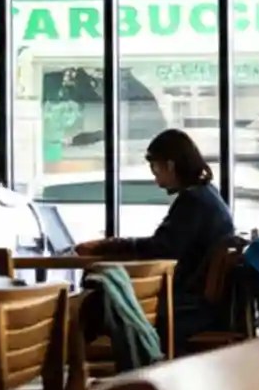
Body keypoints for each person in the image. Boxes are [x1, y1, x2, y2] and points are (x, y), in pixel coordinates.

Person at [75, 129, 233, 354]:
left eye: (155, 169)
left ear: (170, 165)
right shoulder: (208, 195)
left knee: (93, 304)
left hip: (186, 304)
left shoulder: (193, 201)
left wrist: (106, 246)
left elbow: (160, 249)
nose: (155, 178)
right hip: (201, 302)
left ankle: (81, 364)